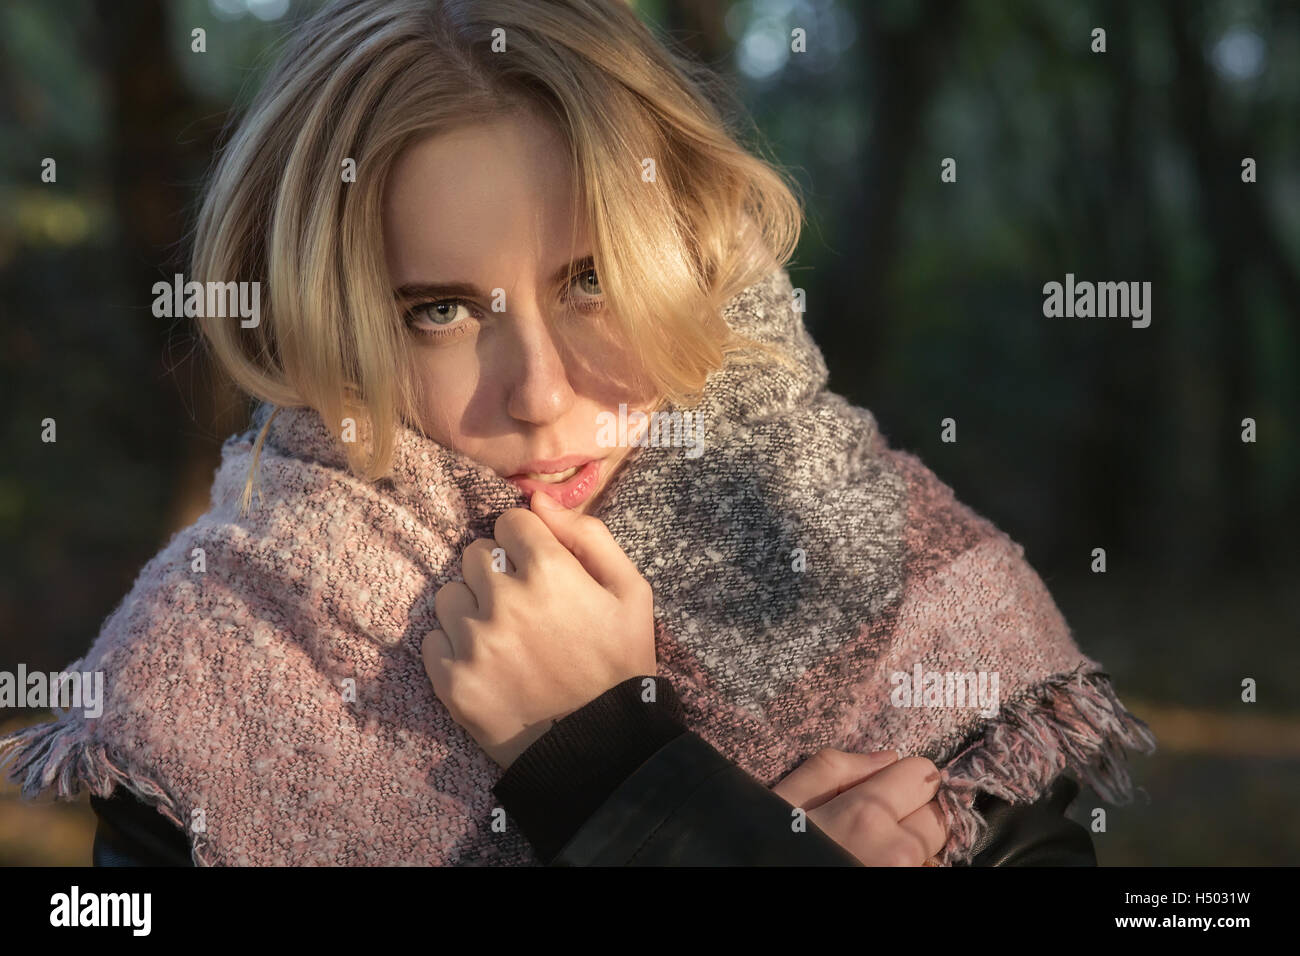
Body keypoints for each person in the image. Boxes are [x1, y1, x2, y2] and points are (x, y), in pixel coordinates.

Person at [4, 0, 1152, 868]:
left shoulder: (884, 554)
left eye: (591, 278)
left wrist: (615, 763)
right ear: (325, 320)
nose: (543, 392)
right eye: (440, 308)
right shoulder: (220, 662)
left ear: (686, 249)